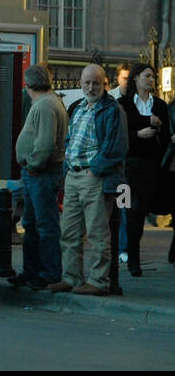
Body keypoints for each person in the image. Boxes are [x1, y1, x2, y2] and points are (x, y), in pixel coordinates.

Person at [49, 64, 128, 296]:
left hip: (95, 177)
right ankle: (71, 277)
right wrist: (67, 168)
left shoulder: (112, 110)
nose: (91, 87)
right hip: (73, 175)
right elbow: (70, 140)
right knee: (69, 232)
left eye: (96, 83)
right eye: (87, 82)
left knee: (97, 233)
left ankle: (98, 281)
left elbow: (117, 147)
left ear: (105, 84)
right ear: (81, 83)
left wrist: (95, 169)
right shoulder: (78, 107)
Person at [8, 65, 67, 289]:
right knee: (31, 223)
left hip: (41, 172)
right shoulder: (49, 102)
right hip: (38, 172)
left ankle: (48, 273)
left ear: (28, 84)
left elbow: (45, 143)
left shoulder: (44, 106)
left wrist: (33, 164)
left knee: (45, 224)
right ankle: (31, 271)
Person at [116, 62, 170, 277]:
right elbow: (120, 134)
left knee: (140, 213)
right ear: (136, 78)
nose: (151, 80)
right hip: (126, 168)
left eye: (153, 76)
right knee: (129, 210)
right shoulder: (124, 104)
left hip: (149, 168)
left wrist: (159, 131)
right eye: (147, 75)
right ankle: (127, 256)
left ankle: (132, 254)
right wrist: (139, 132)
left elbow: (165, 135)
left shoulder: (159, 105)